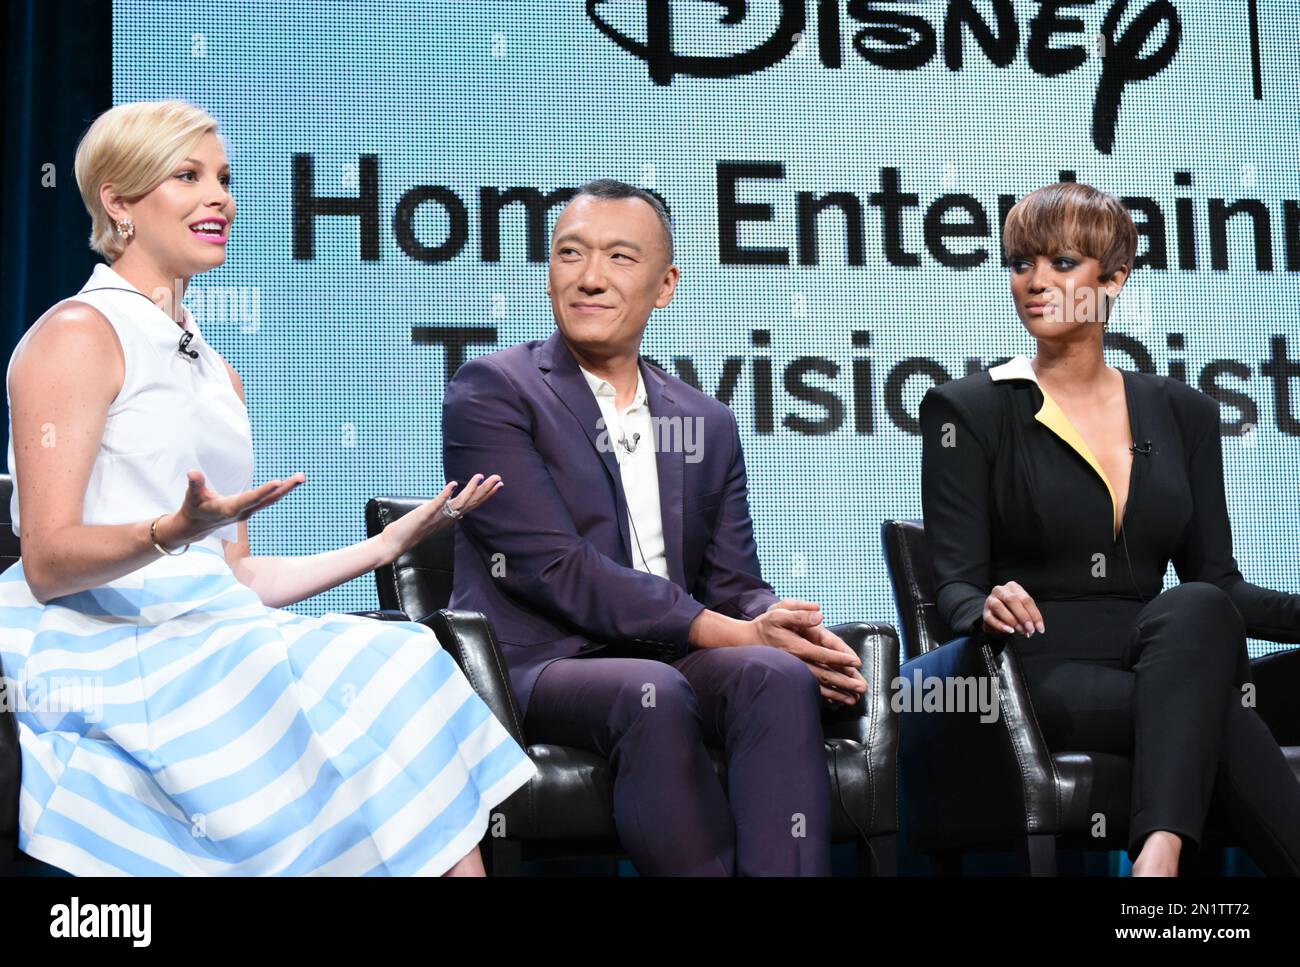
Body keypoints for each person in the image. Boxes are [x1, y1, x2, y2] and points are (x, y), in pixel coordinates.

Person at [0, 100, 536, 876]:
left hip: (209, 629)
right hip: (102, 640)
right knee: (375, 674)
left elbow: (238, 580)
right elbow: (47, 561)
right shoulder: (76, 335)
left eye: (224, 178)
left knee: (407, 659)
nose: (221, 198)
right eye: (188, 176)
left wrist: (386, 545)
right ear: (118, 202)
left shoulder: (221, 374)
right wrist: (166, 533)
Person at [442, 178, 867, 876]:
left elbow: (733, 583)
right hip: (545, 661)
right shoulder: (492, 390)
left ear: (665, 284)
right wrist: (728, 629)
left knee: (773, 674)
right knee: (654, 691)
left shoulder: (704, 420)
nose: (589, 277)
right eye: (570, 253)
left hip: (669, 651)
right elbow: (557, 568)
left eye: (618, 257)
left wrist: (780, 626)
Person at [919, 182, 1300, 876]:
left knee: (1197, 605)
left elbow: (1219, 584)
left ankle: (1156, 857)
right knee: (1217, 713)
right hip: (1040, 668)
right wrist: (984, 607)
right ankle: (1159, 860)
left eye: (1060, 263)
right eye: (1019, 263)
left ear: (1115, 278)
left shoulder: (1182, 412)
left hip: (1161, 658)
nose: (1034, 282)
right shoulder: (968, 408)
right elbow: (952, 584)